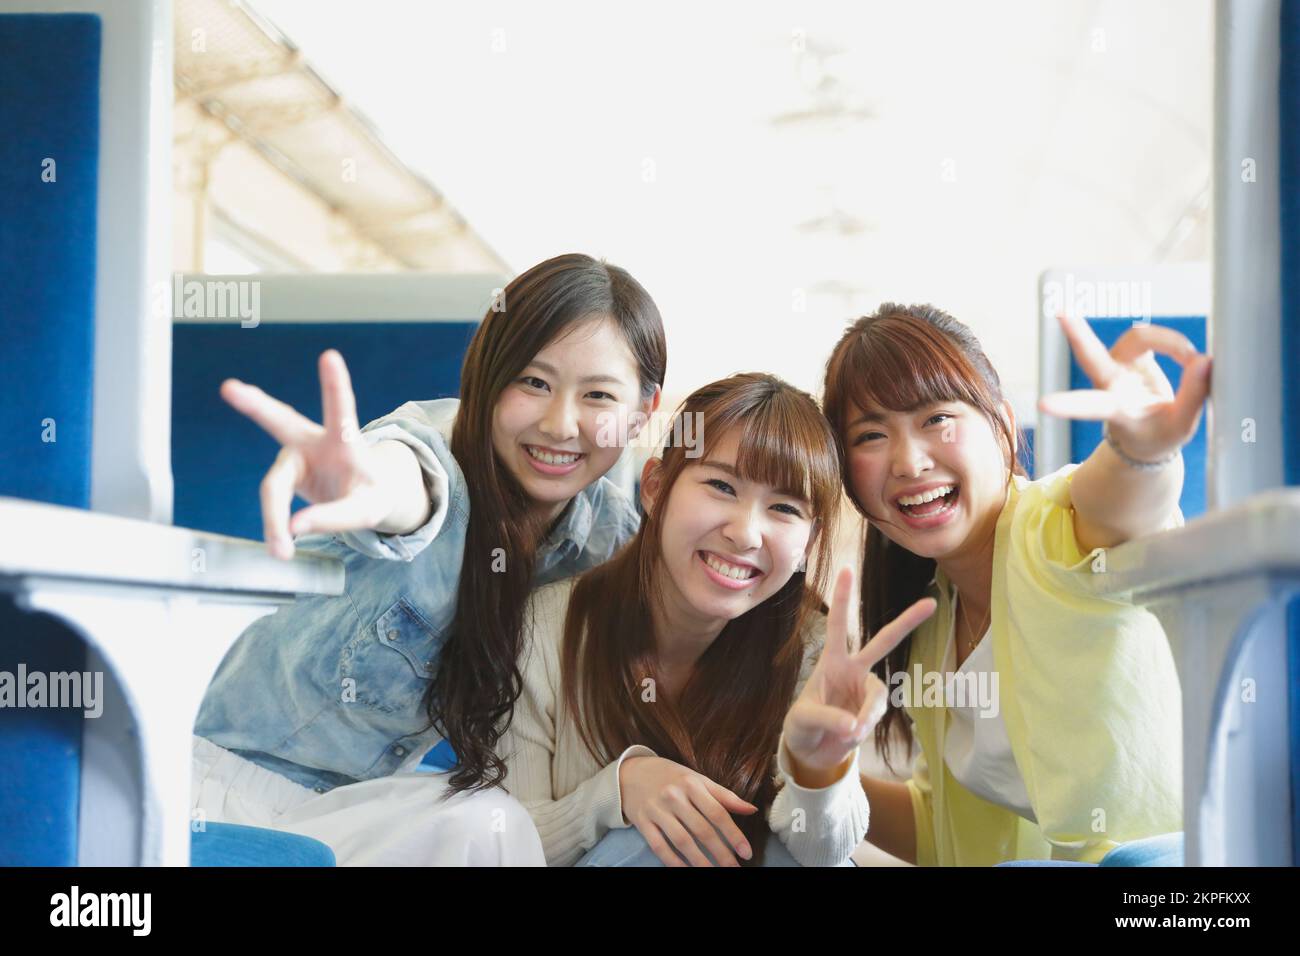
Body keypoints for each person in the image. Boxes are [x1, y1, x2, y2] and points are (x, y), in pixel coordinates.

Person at [190, 253, 666, 865]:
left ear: (642, 414)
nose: (559, 423)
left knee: (491, 821)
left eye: (598, 395)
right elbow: (411, 486)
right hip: (220, 784)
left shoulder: (605, 538)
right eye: (533, 382)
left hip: (358, 811)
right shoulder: (433, 452)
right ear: (489, 377)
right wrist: (362, 485)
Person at [821, 303, 1209, 865]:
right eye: (871, 435)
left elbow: (1122, 497)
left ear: (1002, 426)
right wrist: (801, 772)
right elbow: (941, 832)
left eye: (936, 419)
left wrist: (1142, 450)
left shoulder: (1058, 527)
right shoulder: (931, 623)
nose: (908, 462)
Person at [498, 373, 934, 866]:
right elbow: (506, 847)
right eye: (722, 486)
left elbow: (822, 854)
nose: (746, 533)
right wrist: (616, 792)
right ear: (656, 488)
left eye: (784, 508)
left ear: (808, 544)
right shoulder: (547, 627)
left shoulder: (807, 646)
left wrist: (818, 771)